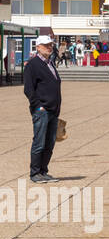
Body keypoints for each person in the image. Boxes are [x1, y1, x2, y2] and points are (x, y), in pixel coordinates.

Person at [23, 35, 62, 183]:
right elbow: (28, 89)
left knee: (49, 143)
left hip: (53, 110)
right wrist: (38, 106)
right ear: (38, 47)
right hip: (42, 110)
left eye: (50, 45)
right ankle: (35, 173)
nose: (49, 47)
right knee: (39, 142)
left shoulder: (50, 63)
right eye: (46, 45)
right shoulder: (33, 65)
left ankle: (43, 170)